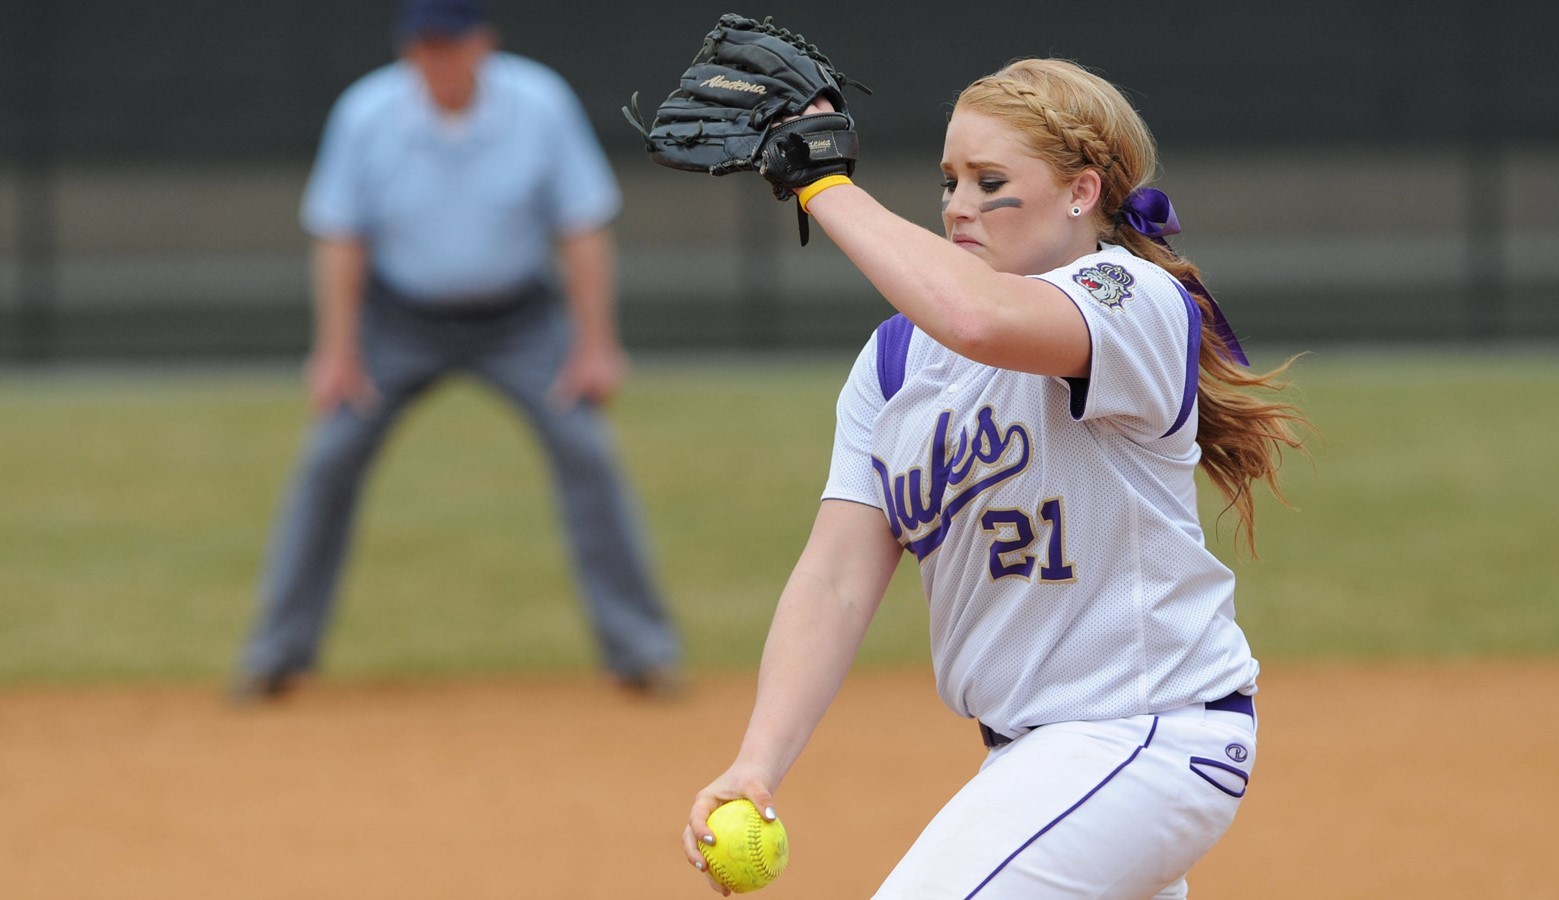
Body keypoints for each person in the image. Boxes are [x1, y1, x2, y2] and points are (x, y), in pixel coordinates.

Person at [682, 58, 1310, 897]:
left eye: (990, 180)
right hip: (1040, 763)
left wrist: (823, 185)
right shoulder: (897, 360)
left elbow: (978, 317)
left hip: (1139, 735)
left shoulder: (1134, 300)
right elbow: (834, 579)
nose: (958, 205)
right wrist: (755, 762)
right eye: (949, 180)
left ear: (1082, 192)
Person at [231, 0, 682, 703]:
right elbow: (341, 238)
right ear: (406, 49)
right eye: (422, 45)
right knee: (328, 460)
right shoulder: (367, 113)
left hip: (522, 321)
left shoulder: (538, 103)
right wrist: (337, 351)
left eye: (449, 43)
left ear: (483, 45)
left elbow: (583, 227)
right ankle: (276, 656)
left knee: (588, 454)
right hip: (397, 323)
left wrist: (594, 344)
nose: (435, 59)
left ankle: (642, 652)